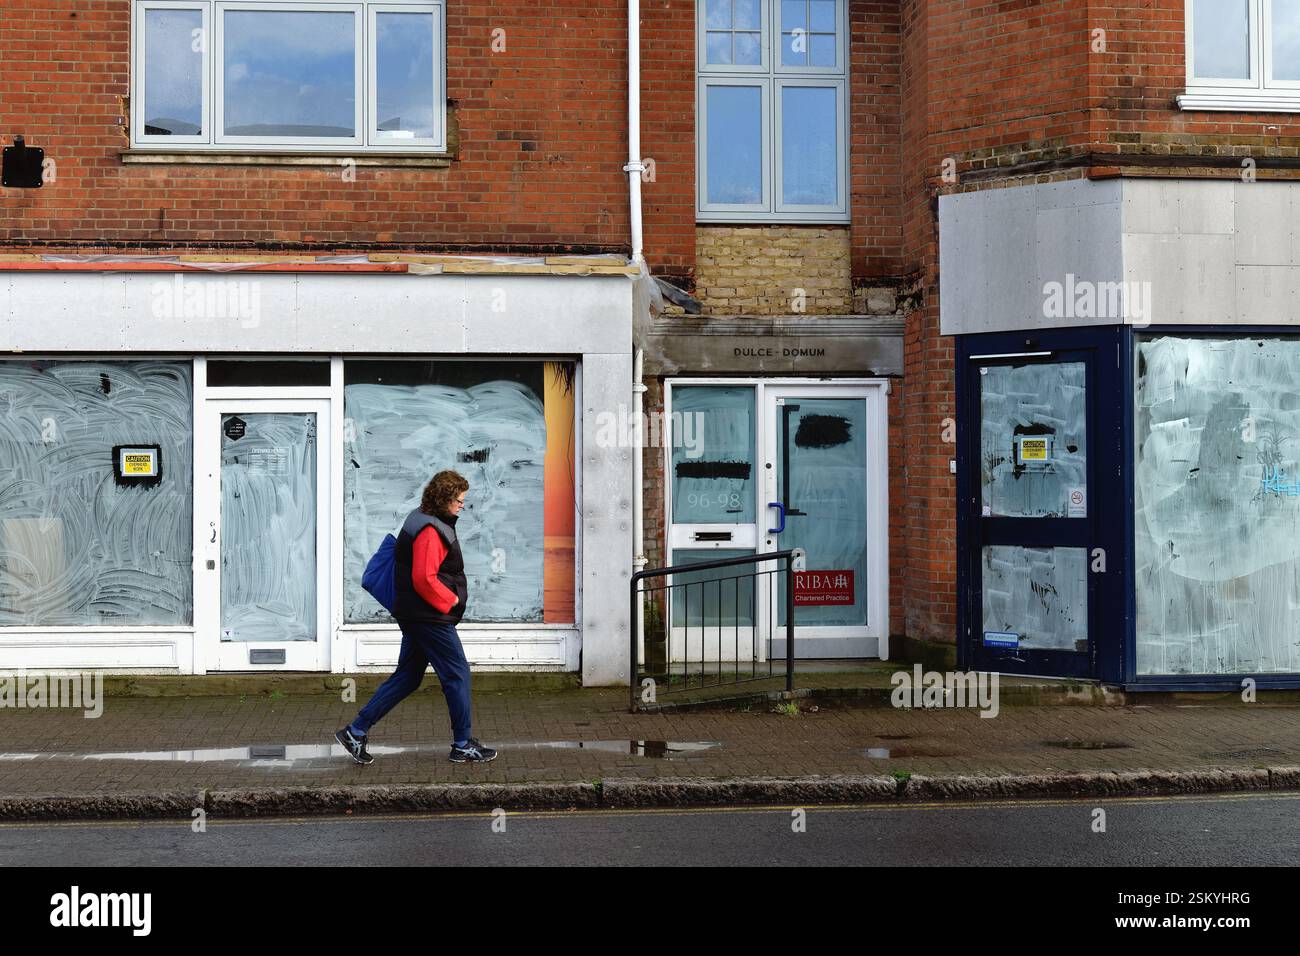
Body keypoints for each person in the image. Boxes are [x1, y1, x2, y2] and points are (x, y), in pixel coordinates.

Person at [336, 470, 497, 764]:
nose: (462, 506)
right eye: (459, 501)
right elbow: (424, 578)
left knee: (408, 676)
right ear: (445, 499)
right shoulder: (430, 531)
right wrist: (451, 600)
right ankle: (462, 743)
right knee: (457, 673)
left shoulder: (421, 516)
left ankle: (355, 731)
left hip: (416, 613)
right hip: (428, 617)